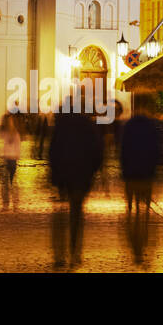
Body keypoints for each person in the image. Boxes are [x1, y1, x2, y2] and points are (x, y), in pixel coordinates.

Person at [47, 97, 103, 268]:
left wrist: (54, 174)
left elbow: (52, 151)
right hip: (81, 176)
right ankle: (74, 253)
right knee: (76, 215)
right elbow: (97, 150)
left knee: (60, 216)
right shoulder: (87, 125)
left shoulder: (60, 125)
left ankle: (59, 254)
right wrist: (93, 171)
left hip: (62, 176)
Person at [119, 96, 163, 265]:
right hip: (147, 173)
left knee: (131, 210)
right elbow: (157, 150)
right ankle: (143, 239)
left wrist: (124, 170)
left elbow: (123, 150)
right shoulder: (151, 126)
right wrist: (155, 169)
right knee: (145, 211)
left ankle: (134, 242)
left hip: (131, 173)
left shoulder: (129, 125)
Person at [0, 109, 22, 209]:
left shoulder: (6, 133)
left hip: (8, 158)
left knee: (7, 180)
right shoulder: (14, 133)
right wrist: (17, 155)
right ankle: (12, 199)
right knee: (11, 180)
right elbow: (17, 146)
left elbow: (2, 145)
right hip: (11, 158)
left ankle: (7, 200)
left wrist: (1, 153)